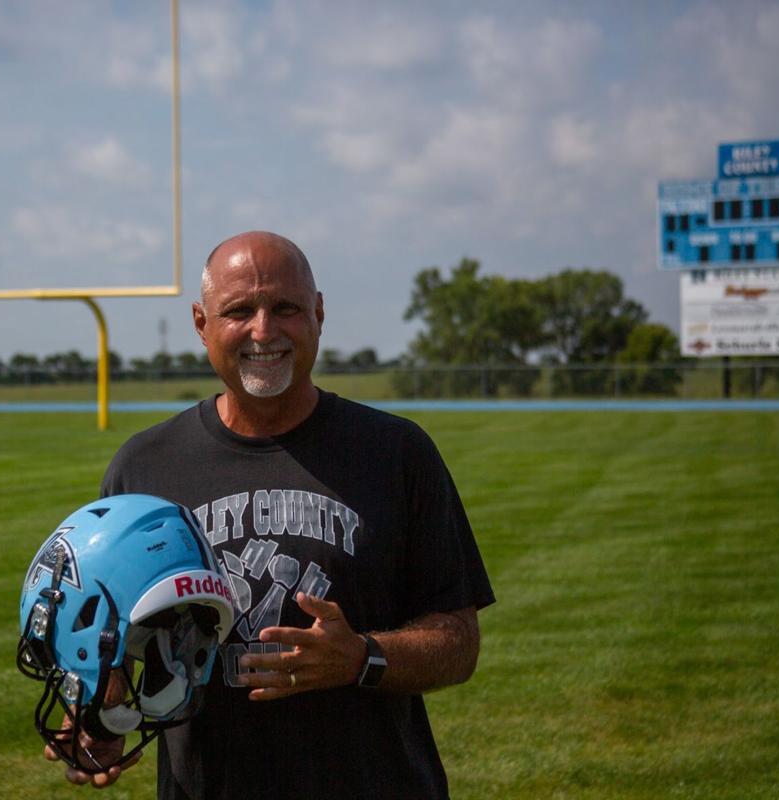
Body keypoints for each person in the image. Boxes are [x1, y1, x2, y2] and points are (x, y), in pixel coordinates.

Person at [46, 230, 495, 799]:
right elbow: (112, 643)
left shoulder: (397, 452)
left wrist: (360, 657)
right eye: (239, 311)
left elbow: (457, 642)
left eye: (284, 307)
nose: (264, 330)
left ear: (319, 313)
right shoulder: (144, 467)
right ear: (201, 323)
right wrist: (100, 721)